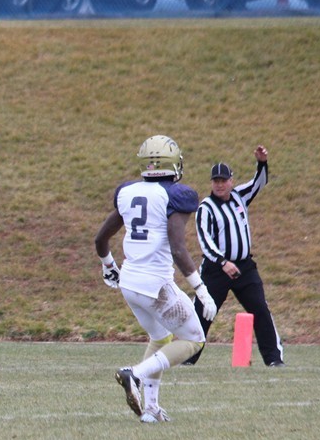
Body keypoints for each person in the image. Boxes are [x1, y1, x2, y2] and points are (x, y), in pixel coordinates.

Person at [94, 135, 218, 423]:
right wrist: (201, 290)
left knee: (160, 337)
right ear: (174, 164)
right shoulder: (176, 195)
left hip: (129, 283)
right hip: (155, 286)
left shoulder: (127, 192)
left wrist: (108, 265)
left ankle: (150, 409)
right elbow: (177, 247)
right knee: (195, 339)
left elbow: (101, 238)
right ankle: (134, 374)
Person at [183, 146, 283, 366]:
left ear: (231, 181)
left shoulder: (240, 196)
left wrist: (262, 163)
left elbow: (259, 182)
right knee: (202, 313)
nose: (219, 184)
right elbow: (205, 240)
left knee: (260, 309)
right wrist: (222, 262)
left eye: (223, 180)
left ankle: (274, 359)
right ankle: (186, 358)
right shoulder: (206, 208)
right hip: (215, 270)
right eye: (216, 181)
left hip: (244, 268)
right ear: (212, 183)